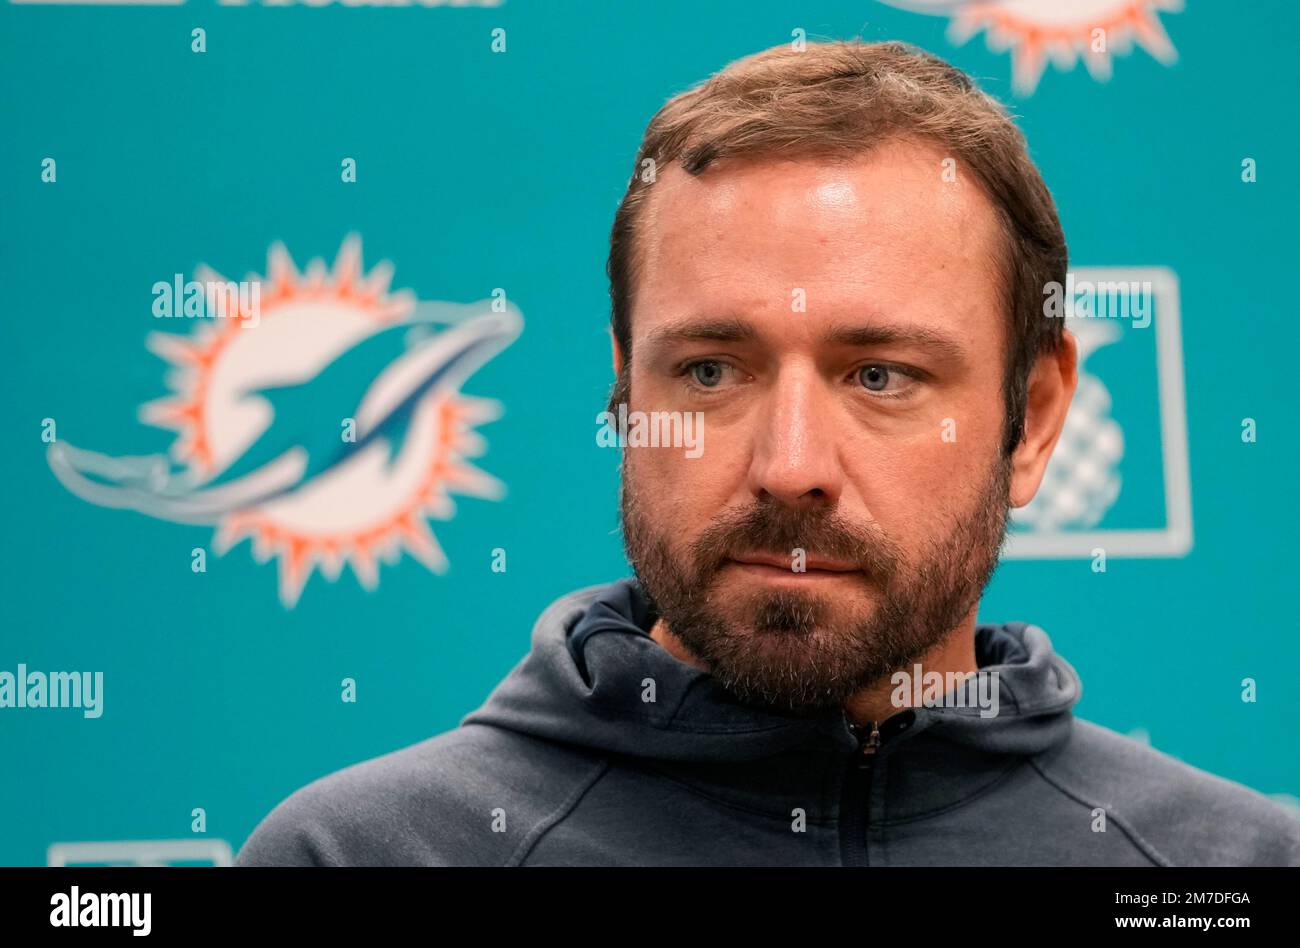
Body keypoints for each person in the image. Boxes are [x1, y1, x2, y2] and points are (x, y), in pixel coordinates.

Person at [236, 39, 1300, 866]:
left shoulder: (1230, 867)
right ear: (622, 388)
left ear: (1031, 417)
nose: (789, 465)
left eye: (878, 375)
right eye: (709, 371)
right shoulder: (361, 857)